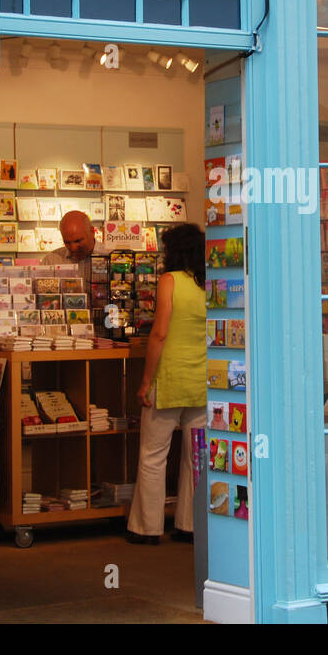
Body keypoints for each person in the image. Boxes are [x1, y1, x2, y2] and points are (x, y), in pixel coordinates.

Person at [126, 223, 207, 545]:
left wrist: (146, 381)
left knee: (153, 455)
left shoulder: (170, 280)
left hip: (169, 378)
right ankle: (190, 524)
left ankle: (147, 527)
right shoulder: (208, 282)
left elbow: (159, 333)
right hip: (201, 380)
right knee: (195, 457)